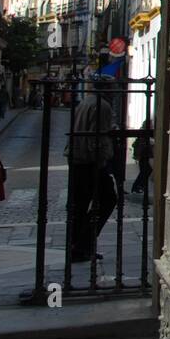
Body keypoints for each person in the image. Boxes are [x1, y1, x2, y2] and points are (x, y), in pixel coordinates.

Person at [67, 77, 119, 263]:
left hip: (77, 158)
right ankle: (84, 243)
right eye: (112, 87)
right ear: (106, 88)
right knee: (108, 199)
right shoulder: (102, 105)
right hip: (91, 161)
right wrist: (101, 160)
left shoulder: (85, 102)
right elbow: (96, 137)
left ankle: (77, 246)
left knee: (80, 205)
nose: (114, 90)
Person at [130, 125, 153, 196]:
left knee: (146, 171)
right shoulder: (143, 135)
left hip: (144, 156)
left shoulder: (144, 134)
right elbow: (138, 145)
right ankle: (137, 186)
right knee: (145, 171)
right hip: (143, 156)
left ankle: (139, 186)